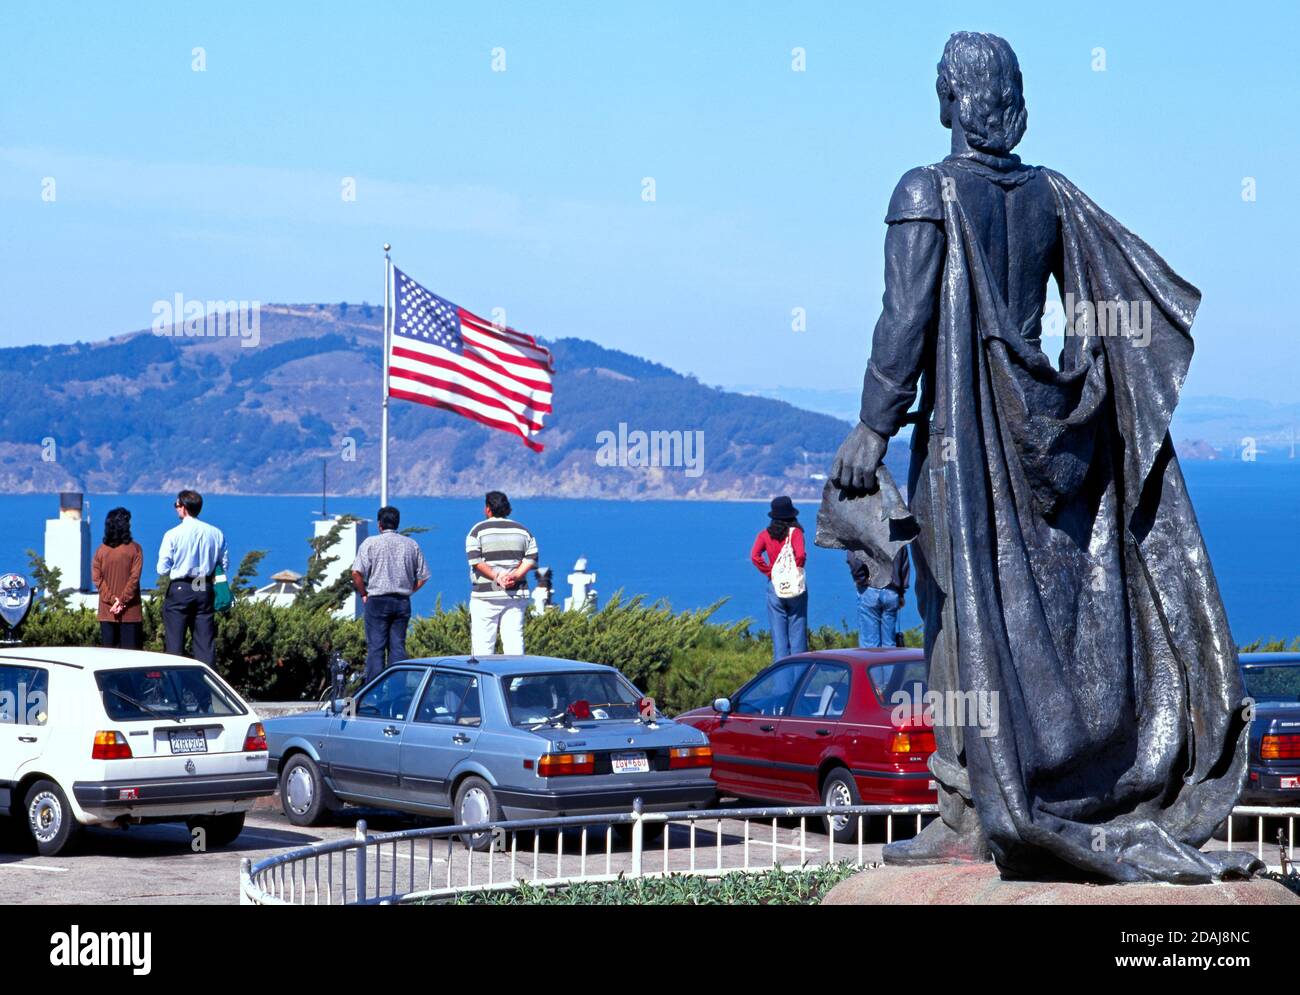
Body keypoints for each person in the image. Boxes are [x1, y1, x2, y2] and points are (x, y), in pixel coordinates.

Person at [829, 32, 1254, 882]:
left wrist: (872, 426)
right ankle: (1017, 788)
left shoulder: (926, 189)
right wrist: (1066, 394)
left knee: (955, 624)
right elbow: (1100, 312)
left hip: (960, 444)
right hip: (1040, 444)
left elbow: (904, 321)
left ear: (950, 95)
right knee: (1015, 630)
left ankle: (964, 809)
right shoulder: (1049, 196)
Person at [351, 505, 430, 683]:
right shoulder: (411, 545)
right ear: (397, 523)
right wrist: (409, 590)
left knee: (376, 649)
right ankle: (398, 689)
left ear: (380, 525)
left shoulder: (370, 543)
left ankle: (374, 691)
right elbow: (424, 576)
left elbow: (356, 573)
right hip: (402, 602)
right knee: (398, 648)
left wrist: (363, 593)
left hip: (377, 601)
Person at [157, 490, 228, 665]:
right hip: (203, 586)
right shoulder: (216, 533)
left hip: (181, 587)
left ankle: (175, 688)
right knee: (205, 645)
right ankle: (206, 689)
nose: (176, 508)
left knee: (175, 646)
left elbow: (162, 569)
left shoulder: (172, 534)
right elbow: (224, 565)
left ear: (184, 508)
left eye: (177, 505)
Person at [465, 491, 537, 656]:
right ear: (508, 509)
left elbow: (475, 561)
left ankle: (484, 680)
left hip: (485, 595)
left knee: (483, 645)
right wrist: (515, 576)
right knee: (514, 642)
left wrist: (497, 577)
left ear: (488, 509)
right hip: (516, 593)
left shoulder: (477, 531)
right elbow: (531, 559)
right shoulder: (523, 531)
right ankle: (516, 680)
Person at [750, 496, 808, 661]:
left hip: (775, 586)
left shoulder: (764, 535)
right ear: (792, 514)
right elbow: (801, 555)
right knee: (798, 636)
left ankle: (783, 682)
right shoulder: (795, 532)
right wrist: (795, 571)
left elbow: (755, 556)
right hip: (795, 586)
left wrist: (770, 573)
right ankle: (800, 680)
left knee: (779, 640)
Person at [92, 507, 143, 650]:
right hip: (131, 612)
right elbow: (134, 578)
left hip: (107, 612)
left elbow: (97, 579)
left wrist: (112, 600)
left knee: (109, 659)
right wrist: (122, 601)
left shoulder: (100, 551)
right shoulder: (135, 549)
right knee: (132, 659)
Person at [849, 547, 909, 648]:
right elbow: (904, 566)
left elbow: (854, 558)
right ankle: (889, 663)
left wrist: (861, 579)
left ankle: (872, 663)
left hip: (869, 589)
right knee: (889, 644)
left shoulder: (865, 530)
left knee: (870, 644)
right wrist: (901, 593)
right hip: (892, 590)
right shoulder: (899, 533)